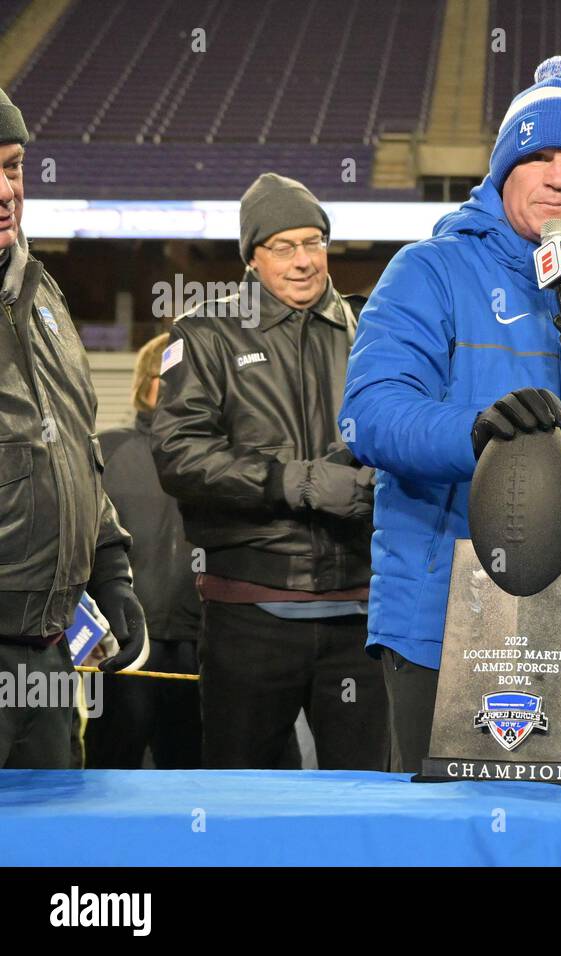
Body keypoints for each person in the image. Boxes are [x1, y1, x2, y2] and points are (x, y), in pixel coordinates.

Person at [339, 56, 561, 774]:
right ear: (502, 172)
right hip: (438, 620)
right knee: (435, 846)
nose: (558, 178)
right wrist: (475, 430)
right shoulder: (427, 271)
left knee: (550, 844)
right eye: (537, 157)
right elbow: (370, 415)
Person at [152, 173, 387, 770]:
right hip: (249, 616)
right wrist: (297, 481)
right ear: (252, 257)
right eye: (283, 246)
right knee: (243, 806)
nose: (304, 260)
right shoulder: (205, 334)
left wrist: (382, 478)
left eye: (314, 242)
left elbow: (411, 436)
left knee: (363, 810)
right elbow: (180, 455)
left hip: (362, 617)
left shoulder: (374, 332)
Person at [0, 86, 147, 768]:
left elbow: (77, 451)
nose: (5, 191)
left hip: (46, 648)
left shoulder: (42, 296)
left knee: (49, 840)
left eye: (12, 167)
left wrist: (110, 570)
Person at [84, 335, 202, 768]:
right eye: (169, 378)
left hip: (196, 642)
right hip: (124, 643)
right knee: (111, 767)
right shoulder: (107, 450)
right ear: (144, 383)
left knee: (189, 770)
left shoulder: (209, 458)